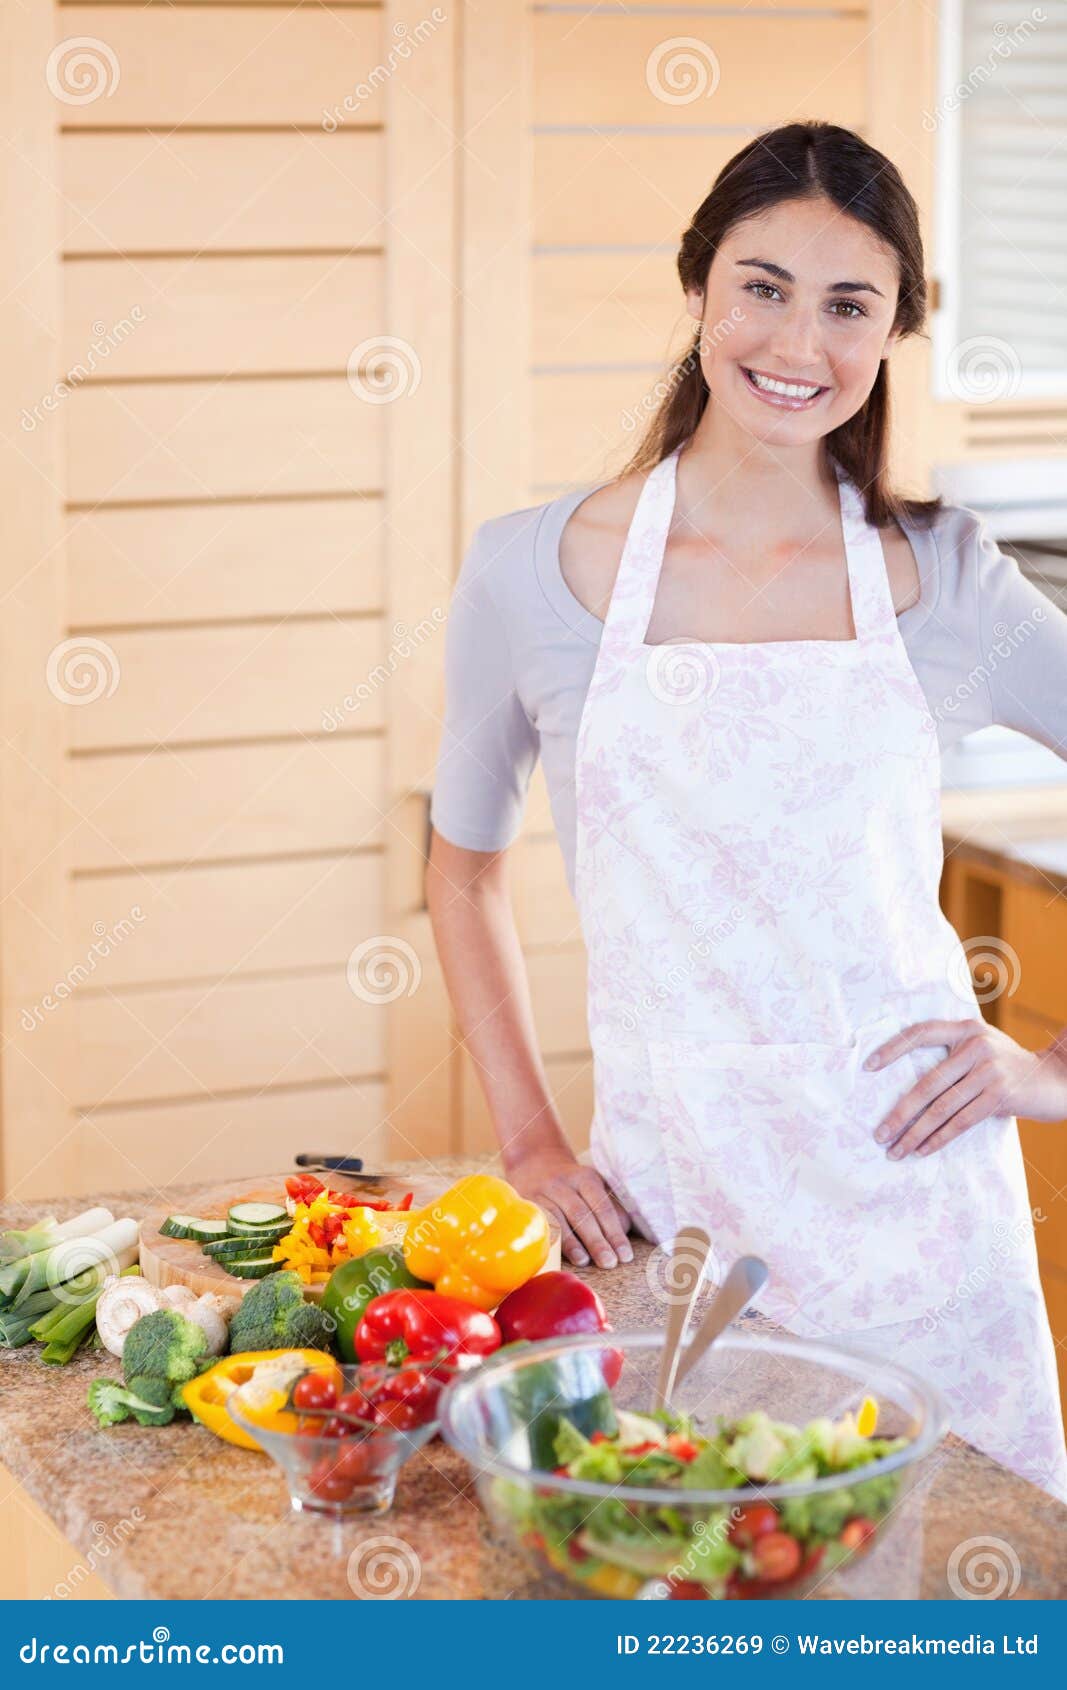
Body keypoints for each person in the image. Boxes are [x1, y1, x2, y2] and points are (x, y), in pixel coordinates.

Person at [426, 121, 1067, 1500]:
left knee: (953, 1579)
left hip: (921, 1216)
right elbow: (461, 871)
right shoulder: (528, 572)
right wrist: (530, 1139)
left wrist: (1055, 1071)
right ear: (699, 288)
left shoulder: (946, 575)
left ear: (895, 330)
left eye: (850, 304)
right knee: (695, 1563)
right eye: (762, 287)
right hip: (674, 1215)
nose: (797, 342)